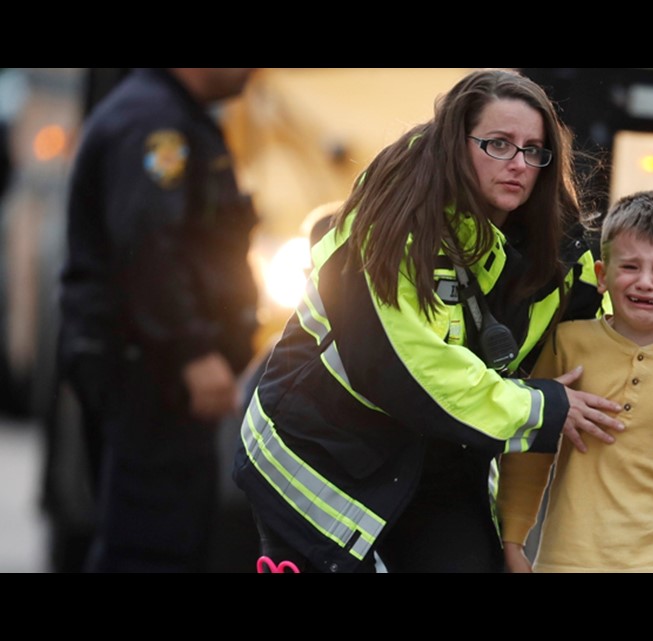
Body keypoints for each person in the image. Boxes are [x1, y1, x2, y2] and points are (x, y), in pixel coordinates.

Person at [232, 68, 623, 573]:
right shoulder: (390, 228)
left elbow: (610, 343)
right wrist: (540, 407)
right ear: (455, 146)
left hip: (436, 459)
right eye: (498, 144)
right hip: (324, 457)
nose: (519, 164)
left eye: (533, 150)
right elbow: (410, 369)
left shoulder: (556, 251)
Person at [58, 68, 260, 572]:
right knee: (148, 546)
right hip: (150, 372)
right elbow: (149, 250)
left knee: (170, 537)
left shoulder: (174, 115)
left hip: (156, 368)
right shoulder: (154, 124)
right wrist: (193, 352)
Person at [497, 190, 653, 573]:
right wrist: (513, 538)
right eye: (630, 266)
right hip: (566, 560)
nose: (646, 282)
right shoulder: (567, 342)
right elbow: (531, 448)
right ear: (602, 277)